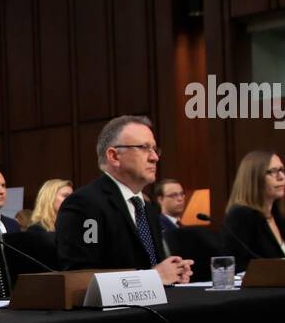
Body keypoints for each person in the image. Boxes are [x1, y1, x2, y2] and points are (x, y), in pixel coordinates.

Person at [56, 115, 193, 284]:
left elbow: (153, 267)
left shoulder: (148, 209)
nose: (154, 157)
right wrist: (152, 277)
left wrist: (173, 274)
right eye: (144, 148)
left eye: (155, 149)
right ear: (114, 156)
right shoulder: (85, 205)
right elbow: (80, 278)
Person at [222, 151, 285, 270]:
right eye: (272, 172)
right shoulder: (241, 216)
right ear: (254, 178)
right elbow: (235, 267)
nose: (281, 177)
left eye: (282, 170)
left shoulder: (280, 217)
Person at [151, 179, 185, 257]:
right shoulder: (157, 226)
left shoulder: (181, 225)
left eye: (181, 194)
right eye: (173, 195)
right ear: (160, 200)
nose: (180, 199)